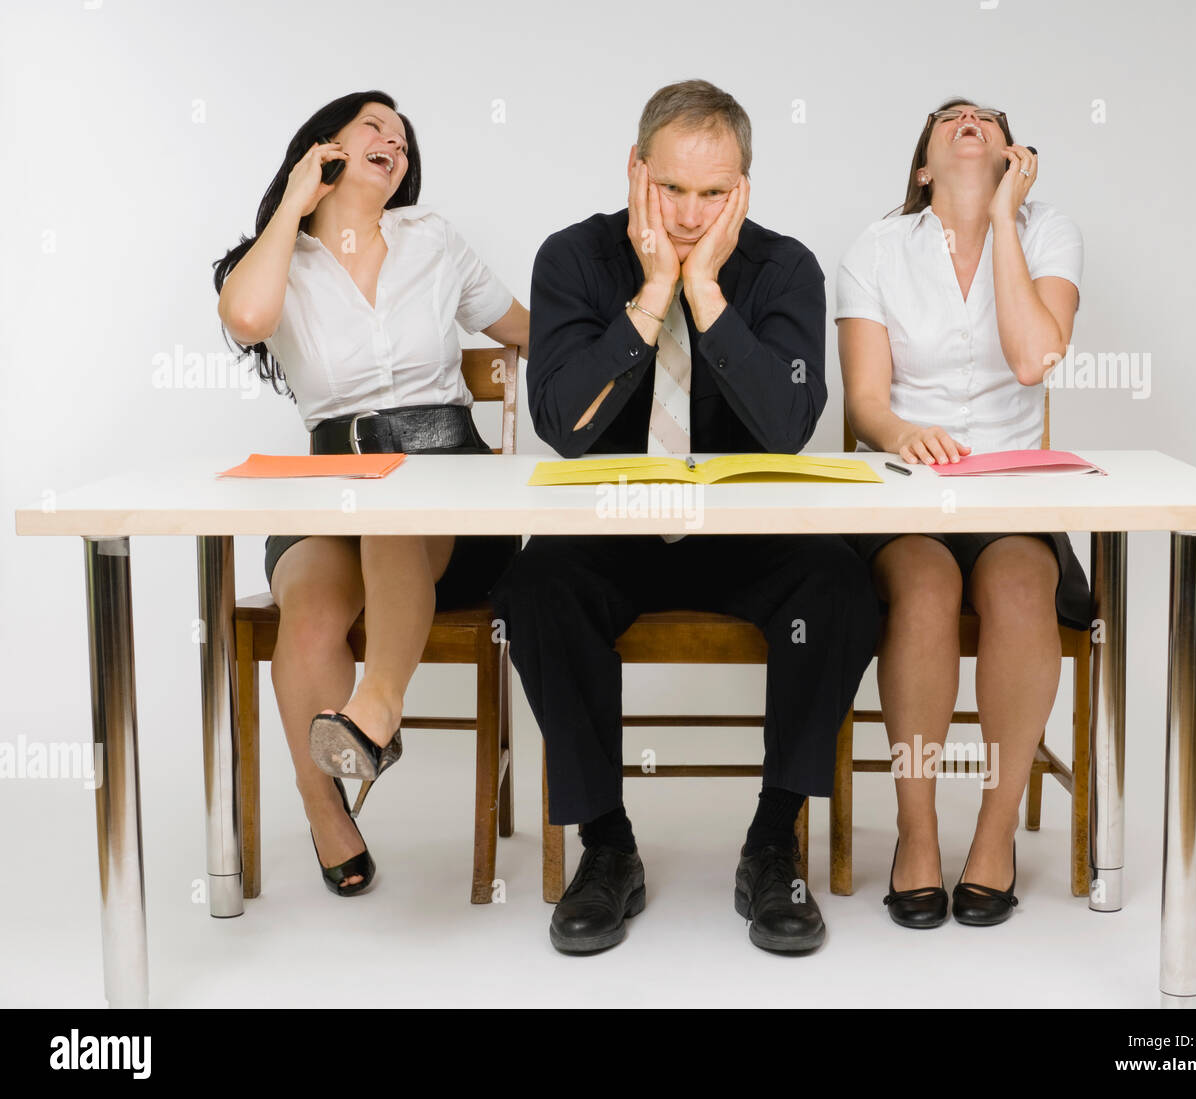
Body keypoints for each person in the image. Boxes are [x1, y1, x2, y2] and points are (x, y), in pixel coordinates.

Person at [491, 79, 880, 955]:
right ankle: (606, 845)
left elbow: (788, 430)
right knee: (535, 583)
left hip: (743, 535)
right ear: (636, 171)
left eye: (716, 193)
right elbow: (562, 423)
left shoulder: (784, 268)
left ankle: (774, 840)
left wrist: (705, 292)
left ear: (745, 187)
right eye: (673, 188)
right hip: (616, 529)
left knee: (842, 579)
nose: (693, 213)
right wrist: (652, 294)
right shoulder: (573, 259)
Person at [213, 90, 528, 896]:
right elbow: (248, 318)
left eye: (404, 137)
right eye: (373, 129)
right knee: (311, 609)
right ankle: (325, 810)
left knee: (395, 503)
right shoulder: (278, 255)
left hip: (448, 485)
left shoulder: (434, 240)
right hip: (326, 486)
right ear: (324, 149)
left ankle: (377, 707)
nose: (396, 142)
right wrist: (295, 203)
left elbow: (527, 331)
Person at [836, 97, 1090, 928]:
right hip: (908, 490)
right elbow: (867, 399)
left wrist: (1005, 220)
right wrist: (906, 432)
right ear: (922, 167)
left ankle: (993, 830)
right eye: (950, 117)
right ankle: (917, 830)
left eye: (987, 118)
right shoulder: (877, 246)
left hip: (1014, 493)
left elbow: (1031, 359)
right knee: (926, 590)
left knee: (1021, 591)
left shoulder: (1048, 231)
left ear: (1014, 155)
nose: (970, 120)